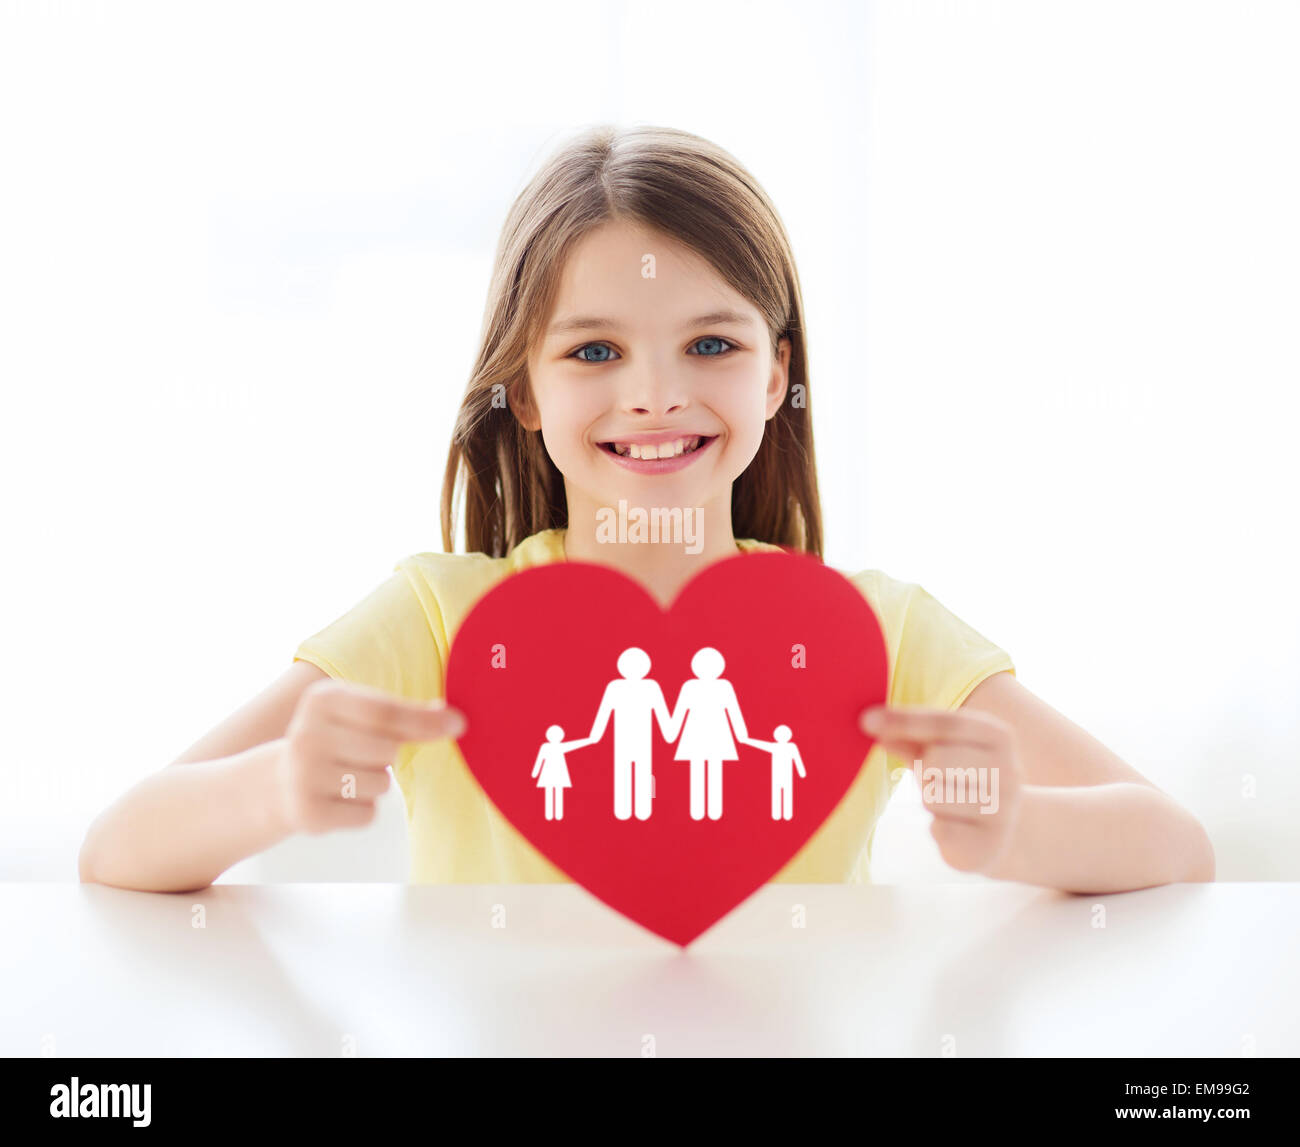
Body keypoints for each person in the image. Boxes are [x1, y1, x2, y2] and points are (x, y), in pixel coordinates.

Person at [79, 124, 1214, 894]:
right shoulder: (436, 617)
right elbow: (119, 848)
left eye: (710, 345)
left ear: (775, 375)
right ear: (523, 387)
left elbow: (1176, 845)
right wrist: (278, 786)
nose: (656, 393)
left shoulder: (878, 630)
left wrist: (1021, 827)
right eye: (594, 350)